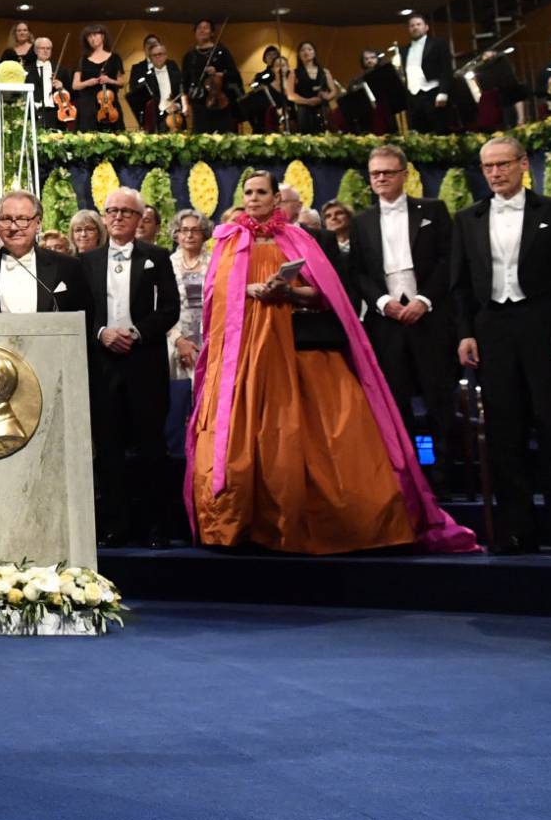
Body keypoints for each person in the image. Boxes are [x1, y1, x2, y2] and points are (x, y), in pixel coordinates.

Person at [189, 171, 475, 554]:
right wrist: (249, 289)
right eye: (249, 193)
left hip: (299, 349)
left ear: (277, 199)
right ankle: (243, 521)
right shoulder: (228, 241)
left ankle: (330, 519)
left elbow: (324, 294)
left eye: (262, 193)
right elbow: (216, 295)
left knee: (319, 431)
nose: (254, 199)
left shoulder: (299, 238)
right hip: (245, 356)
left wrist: (289, 292)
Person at [452, 136, 551, 555]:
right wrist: (465, 332)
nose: (495, 173)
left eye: (503, 164)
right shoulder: (467, 218)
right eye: (488, 166)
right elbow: (458, 287)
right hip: (492, 328)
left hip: (543, 327)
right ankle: (516, 531)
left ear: (523, 164)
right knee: (504, 433)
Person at [348, 145, 461, 490]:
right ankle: (407, 474)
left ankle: (446, 474)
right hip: (386, 324)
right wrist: (383, 302)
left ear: (405, 174)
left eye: (388, 172)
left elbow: (449, 260)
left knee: (439, 398)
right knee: (395, 401)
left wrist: (424, 300)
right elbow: (359, 273)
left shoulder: (433, 210)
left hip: (430, 319)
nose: (381, 178)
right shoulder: (362, 221)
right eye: (375, 173)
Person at [80, 189, 181, 546]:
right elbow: (80, 311)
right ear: (104, 217)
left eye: (126, 212)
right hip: (103, 365)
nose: (118, 217)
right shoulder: (86, 261)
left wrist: (136, 333)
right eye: (112, 211)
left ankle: (157, 527)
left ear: (140, 219)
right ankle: (115, 525)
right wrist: (102, 333)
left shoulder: (157, 256)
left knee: (152, 446)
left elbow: (170, 308)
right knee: (108, 449)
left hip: (144, 364)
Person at [0, 190, 89, 315]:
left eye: (22, 219)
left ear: (38, 224)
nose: (13, 227)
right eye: (6, 219)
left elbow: (83, 321)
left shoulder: (68, 267)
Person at [401, 14, 460, 134]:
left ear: (426, 27)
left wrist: (443, 92)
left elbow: (446, 69)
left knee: (440, 131)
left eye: (418, 24)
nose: (415, 27)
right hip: (414, 97)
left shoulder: (438, 43)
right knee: (420, 132)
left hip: (433, 93)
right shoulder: (404, 50)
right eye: (412, 25)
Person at [169, 211, 210, 381]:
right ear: (176, 234)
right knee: (181, 397)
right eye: (184, 230)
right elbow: (159, 306)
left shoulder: (216, 262)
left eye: (195, 230)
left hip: (210, 338)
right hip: (176, 340)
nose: (189, 235)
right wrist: (178, 341)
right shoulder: (167, 264)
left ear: (205, 234)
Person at [182, 19, 241, 133]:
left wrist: (220, 73)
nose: (202, 30)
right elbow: (184, 82)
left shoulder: (222, 51)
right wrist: (185, 103)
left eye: (206, 28)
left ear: (212, 33)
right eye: (199, 28)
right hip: (199, 104)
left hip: (220, 103)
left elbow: (234, 74)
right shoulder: (189, 56)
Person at [128, 36, 187, 133]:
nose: (158, 57)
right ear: (150, 58)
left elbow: (182, 89)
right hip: (155, 119)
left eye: (160, 54)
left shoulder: (174, 70)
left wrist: (178, 105)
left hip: (175, 116)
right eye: (154, 55)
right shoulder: (147, 76)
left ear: (165, 55)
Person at [286, 41, 339, 133]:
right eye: (303, 50)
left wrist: (327, 97)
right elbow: (290, 95)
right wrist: (307, 101)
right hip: (303, 110)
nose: (306, 52)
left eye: (310, 49)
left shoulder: (324, 72)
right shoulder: (294, 73)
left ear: (314, 52)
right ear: (299, 55)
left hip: (322, 108)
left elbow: (333, 91)